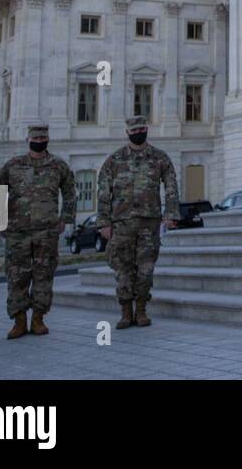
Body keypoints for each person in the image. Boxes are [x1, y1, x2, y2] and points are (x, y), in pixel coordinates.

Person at [97, 116, 179, 329]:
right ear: (127, 133)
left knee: (145, 269)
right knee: (123, 270)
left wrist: (171, 215)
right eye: (134, 130)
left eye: (142, 129)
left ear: (147, 129)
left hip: (149, 224)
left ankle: (141, 310)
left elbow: (171, 187)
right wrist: (103, 222)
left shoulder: (160, 158)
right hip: (121, 225)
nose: (138, 133)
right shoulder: (114, 160)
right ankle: (126, 312)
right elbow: (104, 192)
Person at [0, 123, 75, 338]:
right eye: (36, 139)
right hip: (17, 231)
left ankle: (38, 318)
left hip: (47, 231)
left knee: (44, 275)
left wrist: (65, 218)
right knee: (16, 277)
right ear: (28, 140)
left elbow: (70, 191)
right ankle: (19, 320)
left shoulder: (58, 165)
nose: (39, 142)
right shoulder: (12, 165)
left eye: (43, 139)